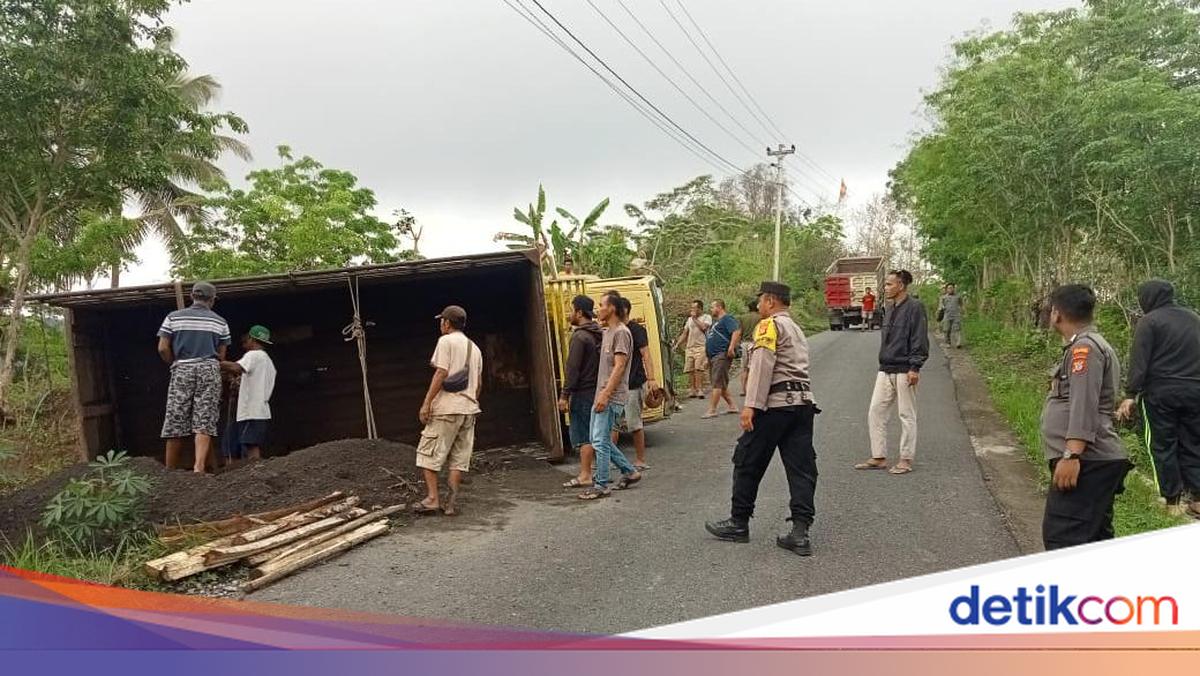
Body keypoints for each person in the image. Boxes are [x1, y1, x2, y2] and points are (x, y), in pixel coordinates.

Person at [705, 282, 820, 556]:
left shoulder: (769, 326)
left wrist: (751, 406)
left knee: (747, 461)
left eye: (760, 301)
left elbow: (762, 365)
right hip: (802, 405)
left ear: (770, 301)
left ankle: (738, 522)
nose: (758, 306)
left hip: (775, 406)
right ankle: (800, 532)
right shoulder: (796, 328)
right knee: (802, 469)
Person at [1040, 284, 1131, 549]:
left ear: (1057, 313)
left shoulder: (1085, 349)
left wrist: (1072, 455)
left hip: (1088, 461)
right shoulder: (1085, 345)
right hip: (1093, 461)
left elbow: (1084, 404)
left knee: (1064, 538)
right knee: (1093, 539)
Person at [1117, 280, 1200, 517]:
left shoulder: (1150, 321)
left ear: (1148, 298)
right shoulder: (1194, 318)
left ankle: (1171, 501)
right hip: (1195, 391)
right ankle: (1197, 499)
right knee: (1193, 442)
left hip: (1161, 393)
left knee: (1162, 444)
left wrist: (1130, 394)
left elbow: (1139, 362)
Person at [855, 270, 929, 475]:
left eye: (889, 284)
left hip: (906, 368)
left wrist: (915, 366)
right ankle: (878, 456)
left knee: (906, 414)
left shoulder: (915, 307)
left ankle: (906, 458)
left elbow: (919, 338)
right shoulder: (889, 307)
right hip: (885, 367)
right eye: (885, 284)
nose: (885, 287)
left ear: (901, 286)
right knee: (876, 411)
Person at [414, 305, 483, 516]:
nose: (440, 324)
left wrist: (427, 403)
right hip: (469, 410)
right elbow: (478, 383)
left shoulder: (445, 341)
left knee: (428, 454)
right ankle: (451, 504)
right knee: (458, 459)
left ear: (446, 323)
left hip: (447, 409)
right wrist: (469, 402)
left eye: (441, 321)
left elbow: (441, 372)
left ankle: (433, 499)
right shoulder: (475, 348)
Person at [157, 282, 231, 473]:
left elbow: (163, 348)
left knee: (176, 418)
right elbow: (222, 356)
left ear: (192, 296)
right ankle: (199, 467)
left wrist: (174, 362)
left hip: (182, 369)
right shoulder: (220, 322)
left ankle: (169, 471)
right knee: (204, 418)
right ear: (212, 300)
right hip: (209, 369)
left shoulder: (173, 318)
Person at [578, 291, 643, 500]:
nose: (598, 309)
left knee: (599, 441)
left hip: (611, 395)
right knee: (601, 440)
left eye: (601, 305)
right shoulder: (607, 332)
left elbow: (620, 366)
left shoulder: (621, 333)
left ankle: (601, 483)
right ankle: (630, 472)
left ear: (612, 308)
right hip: (601, 393)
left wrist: (606, 394)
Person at [559, 295, 603, 489]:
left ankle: (585, 474)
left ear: (579, 312)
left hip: (583, 392)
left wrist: (564, 395)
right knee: (597, 433)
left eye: (571, 310)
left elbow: (573, 369)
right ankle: (600, 471)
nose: (570, 314)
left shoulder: (579, 336)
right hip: (597, 389)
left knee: (583, 435)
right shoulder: (598, 333)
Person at [218, 325, 277, 462]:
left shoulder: (253, 355)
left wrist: (217, 363)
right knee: (250, 443)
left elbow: (237, 367)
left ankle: (254, 473)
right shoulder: (267, 361)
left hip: (251, 410)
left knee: (250, 446)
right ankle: (253, 472)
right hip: (260, 410)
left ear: (252, 339)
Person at [614, 297, 658, 471]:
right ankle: (612, 460)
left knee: (634, 423)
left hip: (633, 384)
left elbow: (646, 354)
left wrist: (652, 378)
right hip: (617, 386)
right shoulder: (614, 330)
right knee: (613, 425)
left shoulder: (636, 330)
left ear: (624, 310)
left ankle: (640, 459)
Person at [702, 299, 742, 419]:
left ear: (719, 307)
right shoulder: (716, 322)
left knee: (717, 382)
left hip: (721, 354)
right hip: (713, 356)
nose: (711, 309)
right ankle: (732, 406)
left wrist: (731, 347)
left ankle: (712, 409)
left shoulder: (727, 319)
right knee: (719, 382)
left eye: (712, 307)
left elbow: (736, 331)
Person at [673, 300, 710, 399]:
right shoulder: (689, 320)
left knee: (699, 368)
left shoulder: (706, 317)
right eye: (692, 308)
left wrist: (694, 318)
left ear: (700, 308)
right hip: (690, 347)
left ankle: (699, 389)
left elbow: (704, 327)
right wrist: (677, 344)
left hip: (701, 346)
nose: (692, 310)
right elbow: (685, 333)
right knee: (689, 369)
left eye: (695, 308)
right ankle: (692, 389)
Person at [736, 299, 760, 396]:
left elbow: (739, 332)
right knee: (754, 368)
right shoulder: (760, 317)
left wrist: (737, 344)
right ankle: (752, 389)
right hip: (755, 343)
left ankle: (743, 389)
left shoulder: (742, 318)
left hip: (744, 343)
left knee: (744, 368)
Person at [939, 283, 964, 348]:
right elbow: (941, 305)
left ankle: (958, 343)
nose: (950, 289)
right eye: (949, 288)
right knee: (946, 330)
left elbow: (961, 305)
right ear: (946, 289)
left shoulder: (958, 296)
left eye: (952, 288)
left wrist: (963, 312)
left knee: (957, 329)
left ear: (954, 288)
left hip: (956, 315)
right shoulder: (943, 297)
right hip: (947, 315)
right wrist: (942, 308)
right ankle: (947, 343)